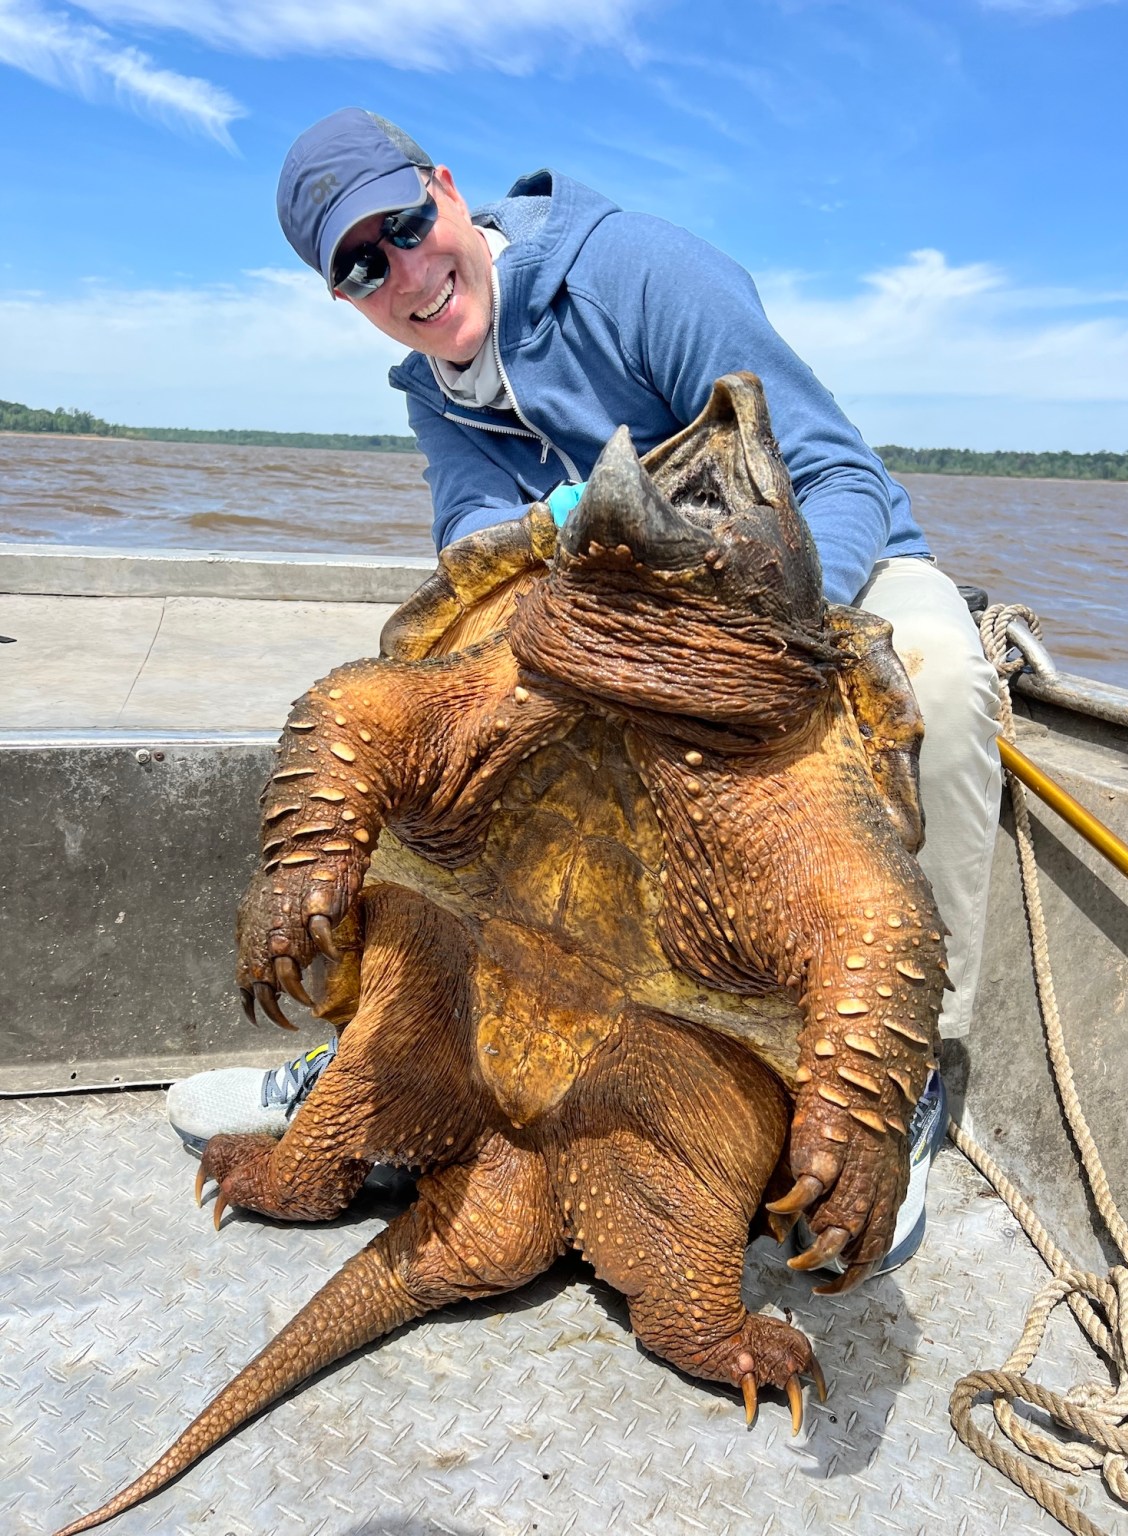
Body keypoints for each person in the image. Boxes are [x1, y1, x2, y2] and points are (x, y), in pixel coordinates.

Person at [167, 108, 1002, 1277]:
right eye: (360, 264)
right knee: (419, 684)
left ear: (447, 192)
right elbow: (470, 543)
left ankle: (903, 1078)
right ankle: (384, 1051)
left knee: (947, 676)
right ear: (340, 293)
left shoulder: (633, 274)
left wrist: (783, 632)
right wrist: (537, 562)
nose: (404, 272)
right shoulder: (434, 384)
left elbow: (831, 470)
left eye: (406, 226)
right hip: (601, 628)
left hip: (791, 596)